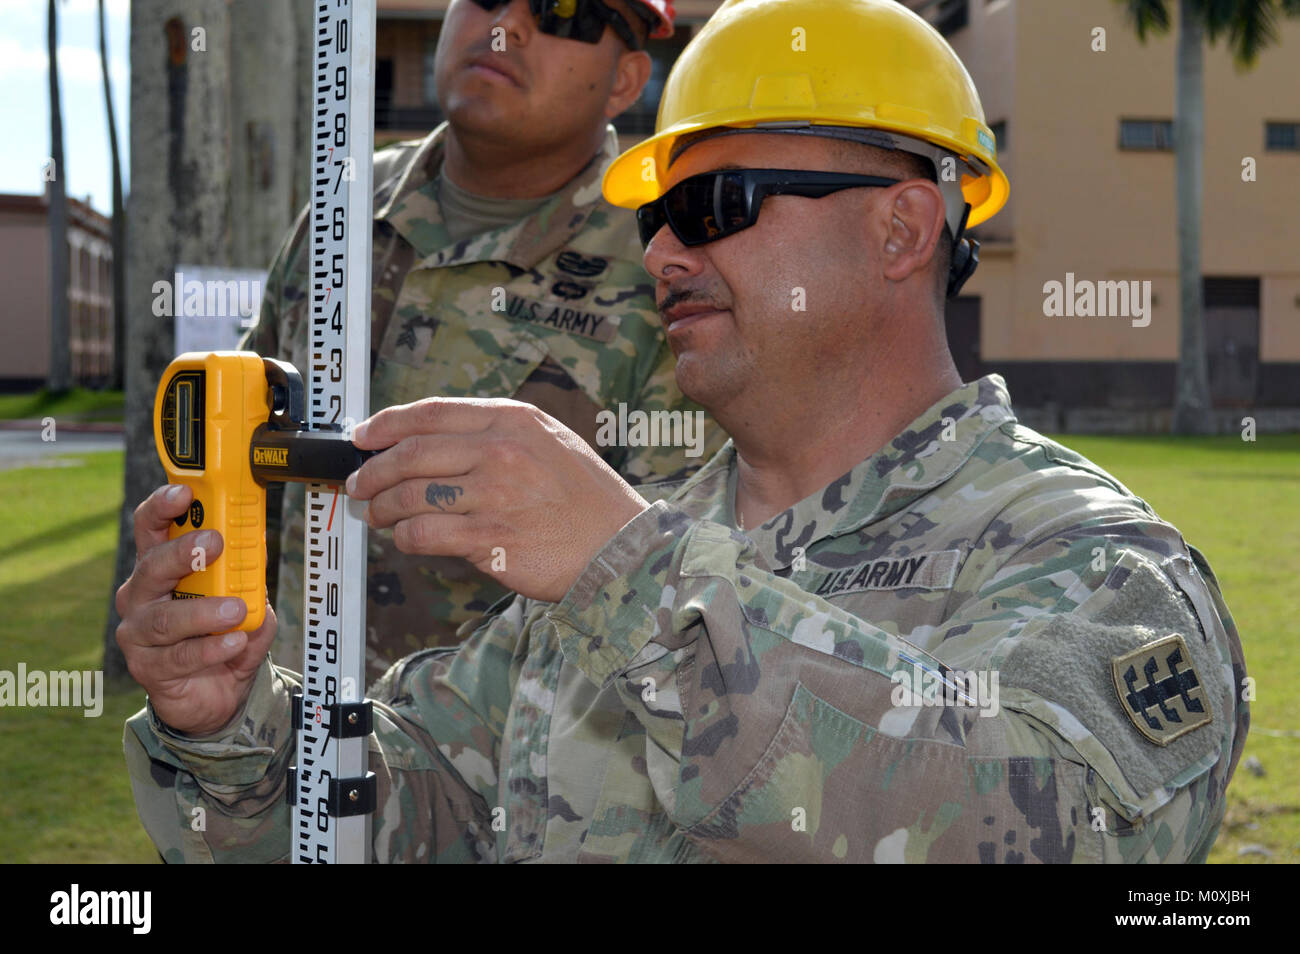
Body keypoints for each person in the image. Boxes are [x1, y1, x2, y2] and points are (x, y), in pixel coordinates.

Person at [120, 0, 1247, 862]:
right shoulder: (616, 559)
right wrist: (230, 729)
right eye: (659, 217)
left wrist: (631, 576)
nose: (662, 254)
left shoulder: (1085, 561)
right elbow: (413, 806)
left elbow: (1057, 826)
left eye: (716, 208)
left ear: (903, 227)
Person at [242, 0, 723, 683]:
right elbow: (251, 442)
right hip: (289, 744)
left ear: (626, 80)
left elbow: (668, 585)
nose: (508, 28)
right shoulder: (344, 207)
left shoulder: (667, 268)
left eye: (565, 13)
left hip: (505, 774)